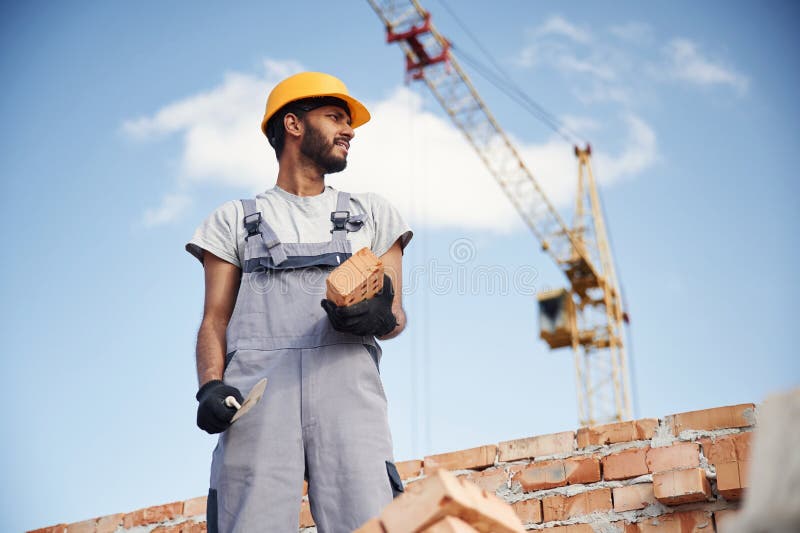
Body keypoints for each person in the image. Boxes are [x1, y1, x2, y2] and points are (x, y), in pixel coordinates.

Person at [185, 71, 413, 533]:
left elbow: (396, 317)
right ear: (293, 124)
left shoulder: (371, 214)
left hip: (348, 388)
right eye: (335, 118)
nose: (349, 131)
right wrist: (210, 385)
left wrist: (379, 314)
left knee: (368, 521)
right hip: (258, 395)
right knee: (250, 522)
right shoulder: (233, 220)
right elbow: (214, 321)